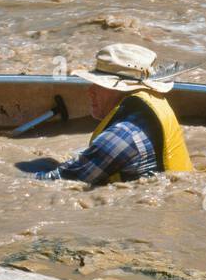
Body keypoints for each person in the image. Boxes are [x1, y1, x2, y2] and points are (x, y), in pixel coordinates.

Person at [25, 43, 193, 185]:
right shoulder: (144, 111)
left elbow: (58, 182)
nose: (90, 90)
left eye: (99, 84)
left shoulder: (123, 134)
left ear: (121, 90)